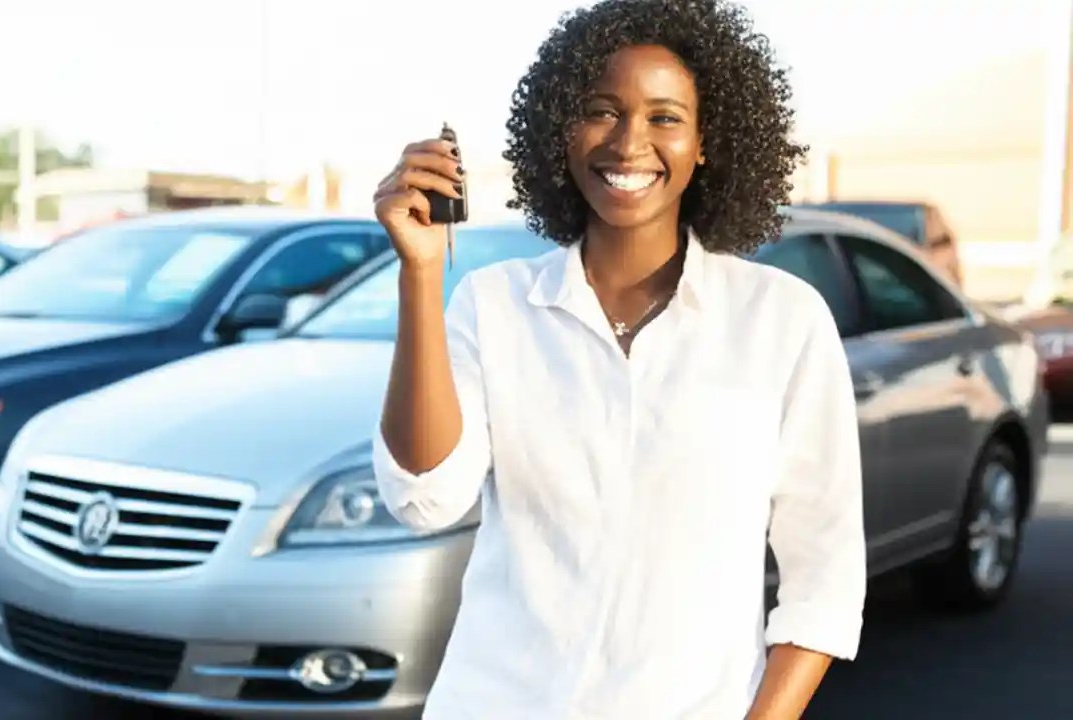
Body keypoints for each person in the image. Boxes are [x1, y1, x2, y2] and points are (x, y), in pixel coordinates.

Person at [370, 0, 866, 717]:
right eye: (602, 110)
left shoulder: (781, 321)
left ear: (705, 143)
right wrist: (419, 273)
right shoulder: (494, 304)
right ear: (561, 135)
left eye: (665, 117)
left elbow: (824, 577)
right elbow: (425, 498)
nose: (630, 141)